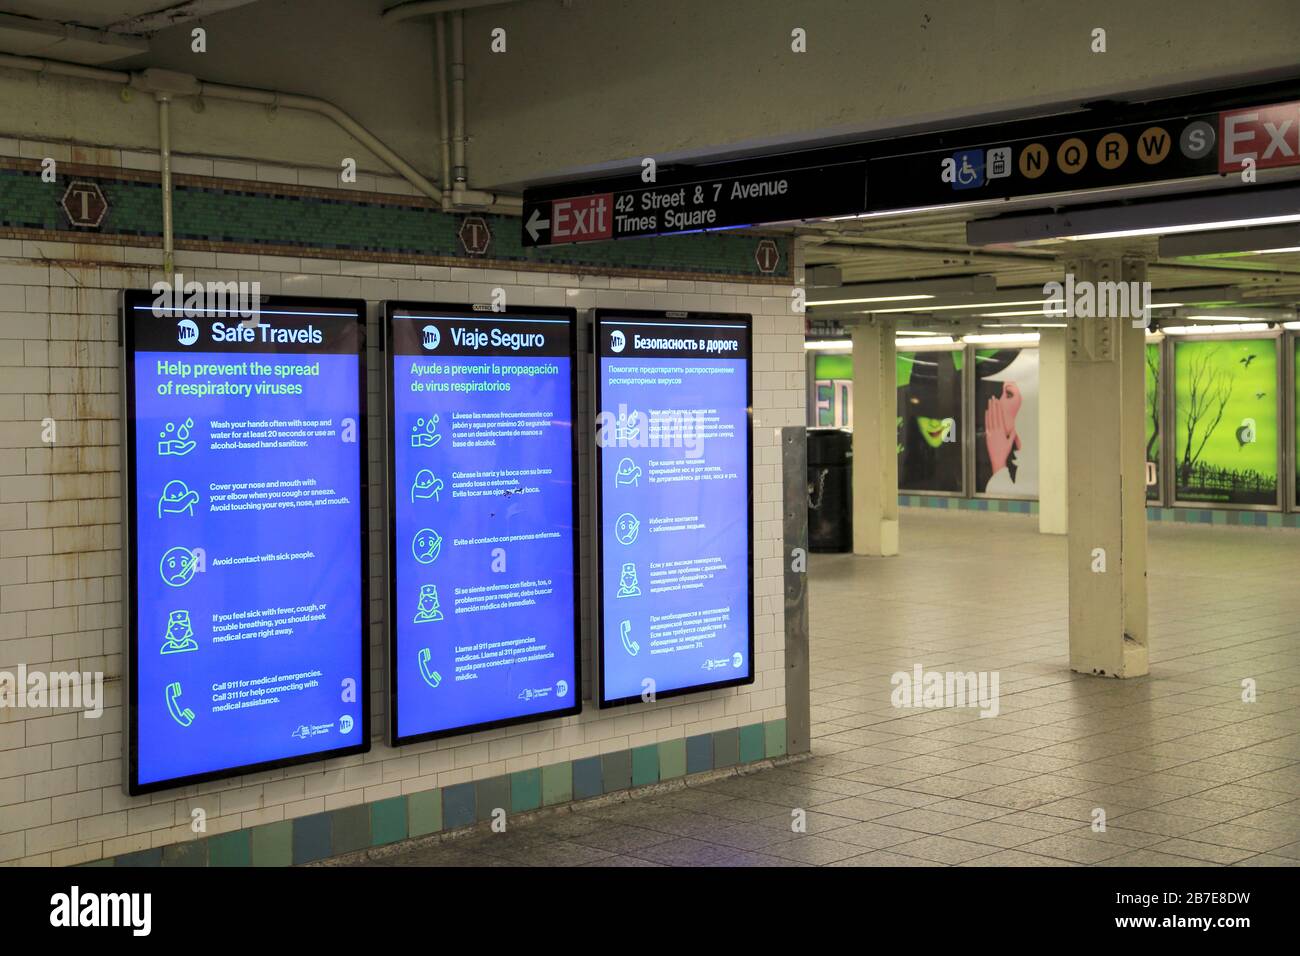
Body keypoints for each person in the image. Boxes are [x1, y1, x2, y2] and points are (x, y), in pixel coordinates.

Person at [981, 349, 1038, 496]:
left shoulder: (1037, 464)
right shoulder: (1024, 460)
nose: (999, 402)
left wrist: (998, 461)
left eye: (1009, 394)